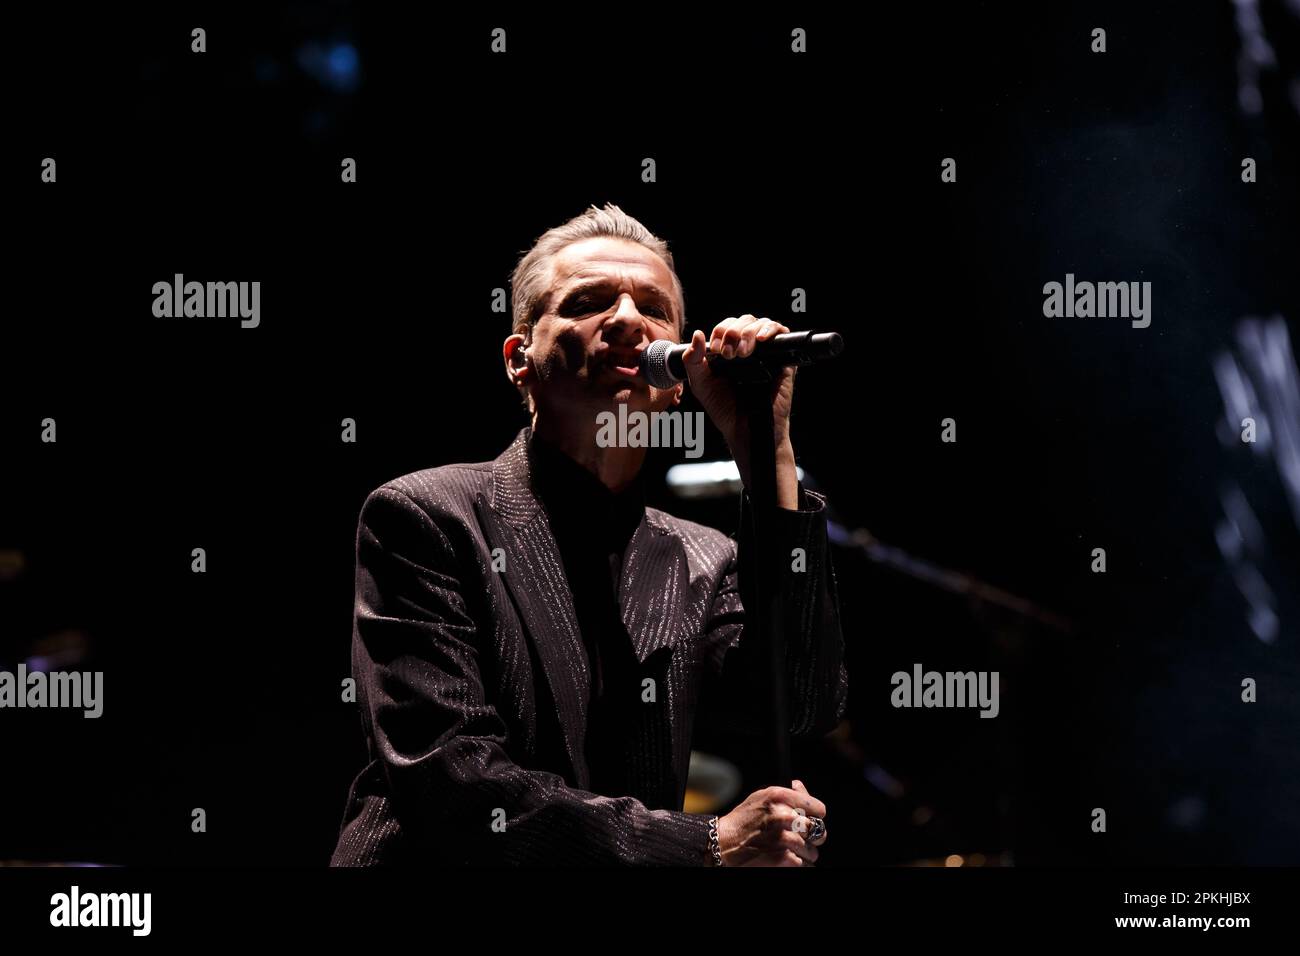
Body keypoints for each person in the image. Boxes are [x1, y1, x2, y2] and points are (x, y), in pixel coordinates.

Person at [330, 203, 847, 866]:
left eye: (653, 308)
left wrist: (767, 449)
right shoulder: (427, 516)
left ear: (678, 379)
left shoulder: (701, 559)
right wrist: (706, 843)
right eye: (588, 301)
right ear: (520, 358)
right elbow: (452, 779)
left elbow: (804, 702)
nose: (629, 319)